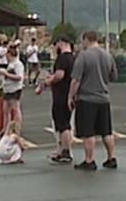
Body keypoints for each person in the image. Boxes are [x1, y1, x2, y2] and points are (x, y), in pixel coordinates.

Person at [69, 30, 118, 171]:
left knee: (88, 132)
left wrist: (71, 96)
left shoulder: (83, 56)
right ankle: (111, 157)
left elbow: (76, 80)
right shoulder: (107, 56)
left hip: (87, 98)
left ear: (86, 39)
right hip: (104, 98)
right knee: (106, 131)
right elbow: (113, 76)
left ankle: (89, 160)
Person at [37, 36, 76, 164]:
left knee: (62, 124)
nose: (56, 47)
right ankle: (63, 149)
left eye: (57, 44)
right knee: (67, 123)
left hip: (60, 96)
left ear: (62, 43)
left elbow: (60, 75)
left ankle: (65, 152)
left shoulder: (62, 59)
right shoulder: (74, 59)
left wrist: (50, 80)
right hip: (69, 94)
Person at [1, 44, 25, 126]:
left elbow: (19, 77)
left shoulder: (18, 64)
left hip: (14, 89)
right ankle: (5, 128)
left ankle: (17, 127)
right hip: (7, 89)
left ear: (9, 55)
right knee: (5, 109)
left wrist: (6, 74)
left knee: (15, 109)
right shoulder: (10, 64)